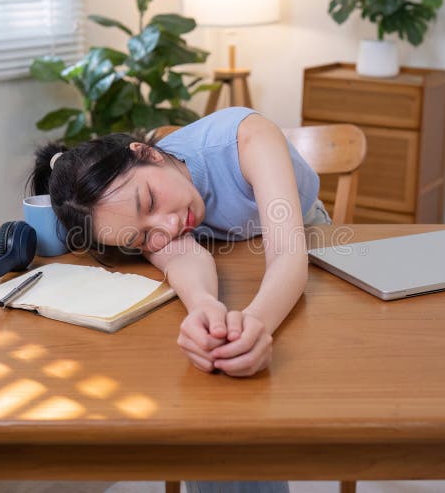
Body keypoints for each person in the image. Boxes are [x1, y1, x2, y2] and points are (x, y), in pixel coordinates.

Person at [29, 107, 330, 377]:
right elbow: (181, 258)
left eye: (150, 201)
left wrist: (255, 325)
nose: (169, 227)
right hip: (233, 249)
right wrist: (203, 306)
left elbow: (286, 255)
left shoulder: (250, 138)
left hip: (304, 231)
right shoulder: (147, 217)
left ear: (149, 154)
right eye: (141, 238)